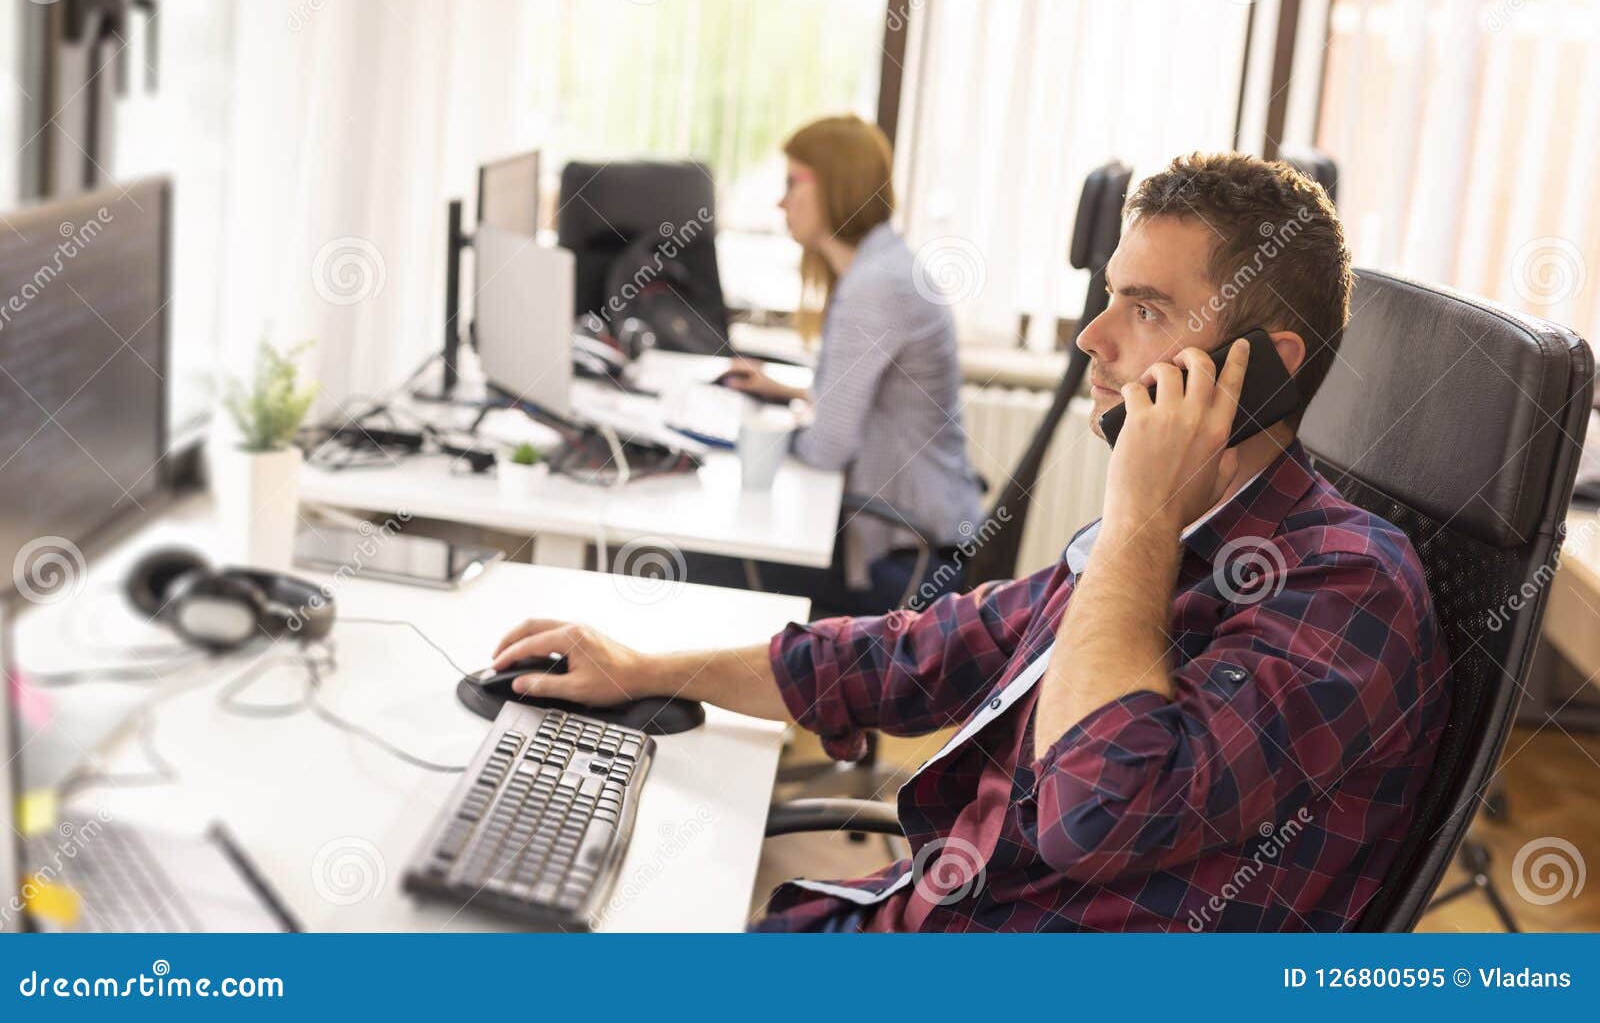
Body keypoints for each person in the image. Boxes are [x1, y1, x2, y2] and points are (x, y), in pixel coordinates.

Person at [487, 153, 1452, 931]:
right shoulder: (1168, 534)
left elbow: (1094, 812)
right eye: (1108, 296)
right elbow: (919, 652)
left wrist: (1139, 519)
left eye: (1147, 309)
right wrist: (649, 668)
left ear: (1264, 368)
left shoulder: (1348, 587)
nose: (1093, 338)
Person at [711, 114, 985, 617]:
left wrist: (742, 440)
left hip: (908, 566)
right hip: (917, 542)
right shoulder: (883, 265)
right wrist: (790, 394)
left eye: (792, 183)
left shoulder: (875, 285)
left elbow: (828, 448)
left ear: (835, 186)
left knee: (699, 559)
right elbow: (875, 401)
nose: (781, 202)